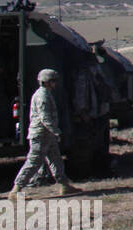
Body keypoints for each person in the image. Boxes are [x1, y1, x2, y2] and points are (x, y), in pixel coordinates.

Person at [8, 68, 83, 199]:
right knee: (34, 162)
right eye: (53, 81)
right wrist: (56, 131)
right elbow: (45, 117)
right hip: (41, 135)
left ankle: (64, 185)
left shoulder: (46, 94)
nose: (55, 83)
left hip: (47, 135)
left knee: (56, 160)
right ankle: (16, 190)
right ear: (47, 82)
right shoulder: (42, 96)